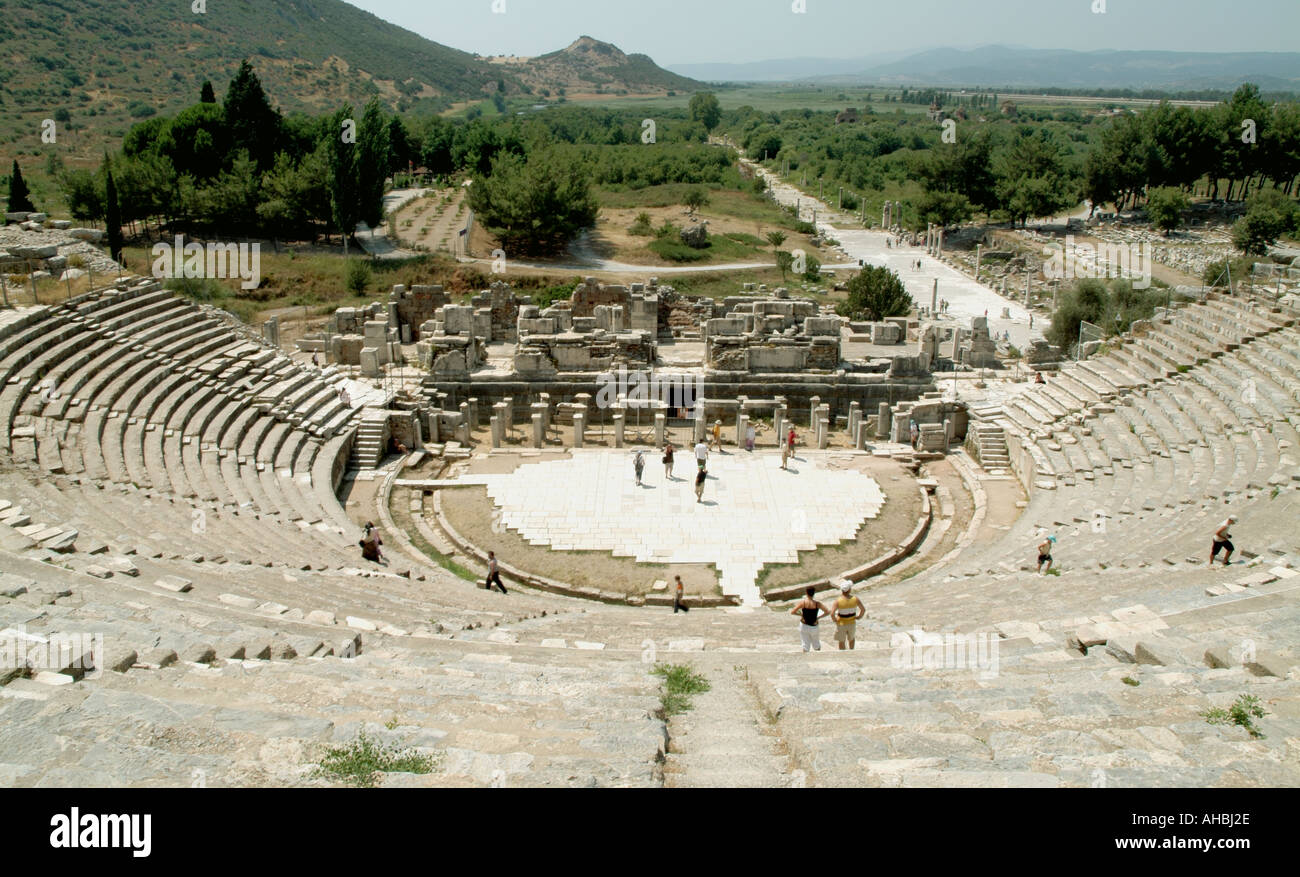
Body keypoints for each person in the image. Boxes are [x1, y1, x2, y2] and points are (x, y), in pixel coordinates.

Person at [790, 587, 830, 653]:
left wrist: (801, 615)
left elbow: (793, 612)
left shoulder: (803, 603)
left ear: (806, 593)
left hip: (804, 625)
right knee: (816, 644)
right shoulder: (817, 604)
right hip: (814, 626)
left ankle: (806, 660)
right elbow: (827, 612)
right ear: (814, 593)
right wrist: (819, 617)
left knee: (805, 645)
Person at [832, 581, 866, 650]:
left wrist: (835, 620)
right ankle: (851, 651)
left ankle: (843, 654)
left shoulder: (838, 601)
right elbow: (863, 609)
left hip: (841, 623)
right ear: (849, 590)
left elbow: (832, 613)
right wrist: (859, 617)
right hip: (852, 623)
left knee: (841, 641)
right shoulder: (855, 599)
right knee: (851, 639)